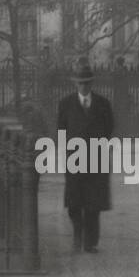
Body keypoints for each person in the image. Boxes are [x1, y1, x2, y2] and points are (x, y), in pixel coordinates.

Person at [56, 57, 113, 253]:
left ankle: (90, 243)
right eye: (80, 83)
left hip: (97, 160)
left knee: (93, 204)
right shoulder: (66, 104)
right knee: (74, 203)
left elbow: (109, 129)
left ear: (92, 83)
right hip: (74, 160)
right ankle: (77, 236)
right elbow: (61, 131)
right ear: (75, 84)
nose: (84, 87)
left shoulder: (103, 104)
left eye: (87, 83)